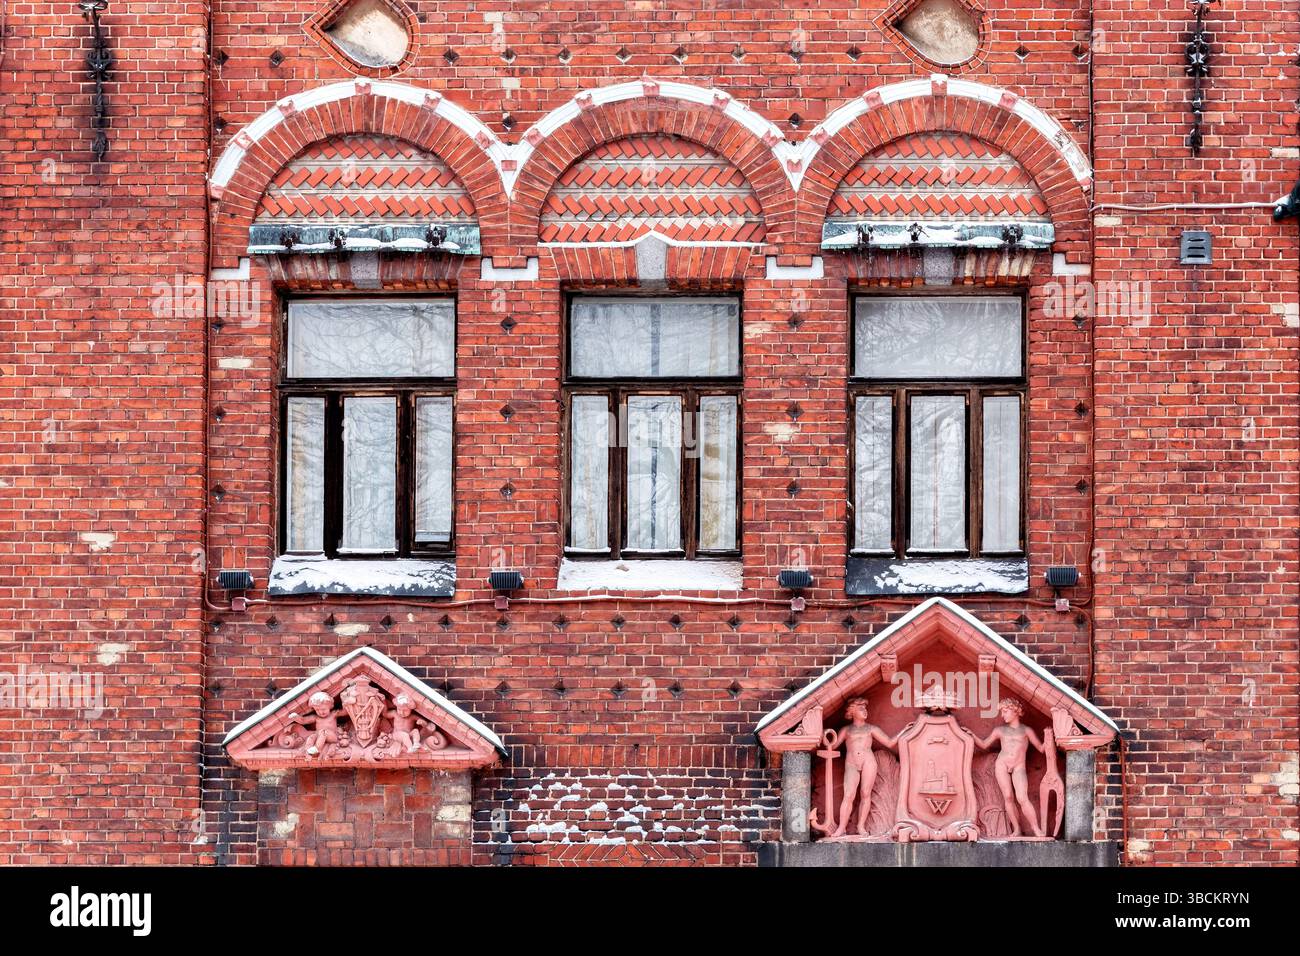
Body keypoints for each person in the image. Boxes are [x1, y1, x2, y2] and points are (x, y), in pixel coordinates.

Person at [974, 697, 1044, 837]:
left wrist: (1049, 739)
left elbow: (1041, 748)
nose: (1002, 715)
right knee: (1008, 797)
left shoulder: (1026, 730)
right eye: (1002, 712)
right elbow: (983, 744)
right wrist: (971, 735)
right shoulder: (999, 730)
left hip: (1019, 766)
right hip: (1002, 764)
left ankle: (1036, 829)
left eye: (1005, 711)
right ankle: (1017, 829)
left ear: (1015, 711)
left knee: (1022, 798)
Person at [830, 697, 896, 837]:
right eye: (861, 709)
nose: (865, 711)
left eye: (865, 708)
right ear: (852, 712)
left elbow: (889, 743)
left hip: (868, 761)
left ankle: (861, 826)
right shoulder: (846, 730)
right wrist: (823, 735)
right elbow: (832, 745)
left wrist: (904, 733)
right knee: (848, 795)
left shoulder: (871, 729)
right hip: (851, 762)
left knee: (866, 794)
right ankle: (841, 828)